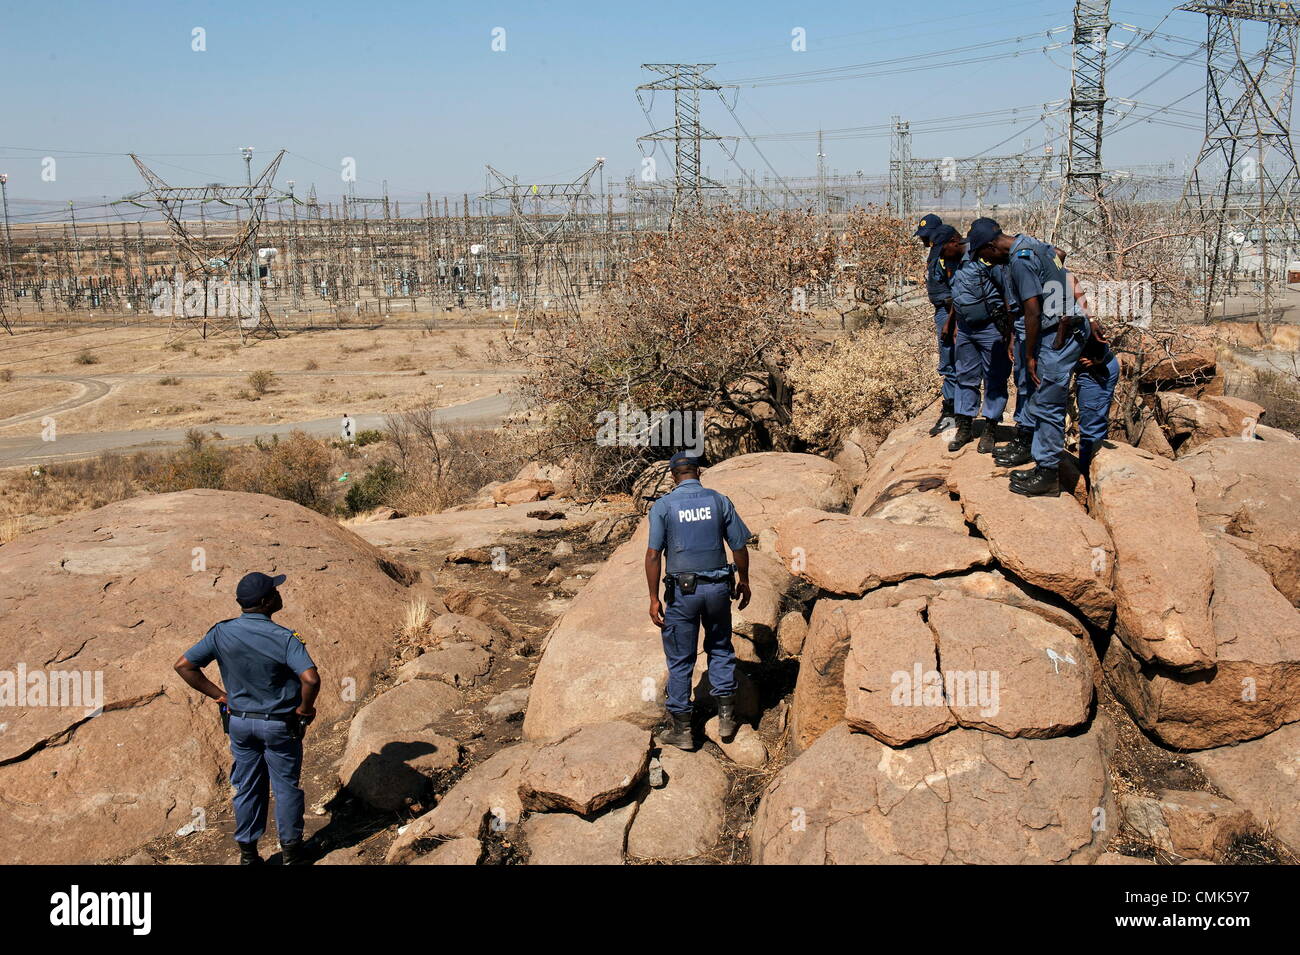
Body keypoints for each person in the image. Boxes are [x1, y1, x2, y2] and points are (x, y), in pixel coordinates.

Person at [174, 572, 321, 865]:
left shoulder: (221, 632)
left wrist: (219, 695)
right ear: (267, 602)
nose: (280, 595)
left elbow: (184, 665)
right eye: (275, 592)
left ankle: (248, 854)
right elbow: (310, 679)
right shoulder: (283, 637)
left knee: (248, 785)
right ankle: (291, 852)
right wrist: (305, 710)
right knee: (285, 786)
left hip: (240, 723)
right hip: (279, 724)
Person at [969, 220, 1089, 496]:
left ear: (991, 246)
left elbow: (1032, 310)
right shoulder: (1030, 244)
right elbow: (1059, 254)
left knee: (1048, 401)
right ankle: (1041, 461)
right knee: (1040, 395)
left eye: (983, 255)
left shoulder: (1020, 259)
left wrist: (1031, 354)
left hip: (1057, 334)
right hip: (1057, 327)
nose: (985, 261)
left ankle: (1048, 475)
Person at [645, 452, 752, 751]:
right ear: (698, 472)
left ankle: (682, 729)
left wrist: (654, 598)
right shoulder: (719, 501)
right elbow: (739, 546)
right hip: (718, 590)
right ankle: (727, 718)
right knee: (720, 647)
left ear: (673, 476)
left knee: (681, 658)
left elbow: (653, 555)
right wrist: (744, 580)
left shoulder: (664, 506)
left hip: (683, 593)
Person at [947, 246, 1013, 453]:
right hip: (966, 328)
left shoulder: (987, 260)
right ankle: (965, 427)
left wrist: (1010, 331)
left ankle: (990, 428)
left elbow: (1007, 294)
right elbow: (958, 296)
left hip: (991, 328)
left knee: (994, 377)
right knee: (965, 375)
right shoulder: (955, 263)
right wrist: (956, 324)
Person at [916, 214, 961, 436]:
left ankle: (953, 413)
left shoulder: (946, 253)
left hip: (948, 312)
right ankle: (953, 410)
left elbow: (956, 291)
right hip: (943, 311)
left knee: (950, 361)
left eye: (926, 236)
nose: (923, 241)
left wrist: (950, 323)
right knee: (949, 362)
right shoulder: (936, 252)